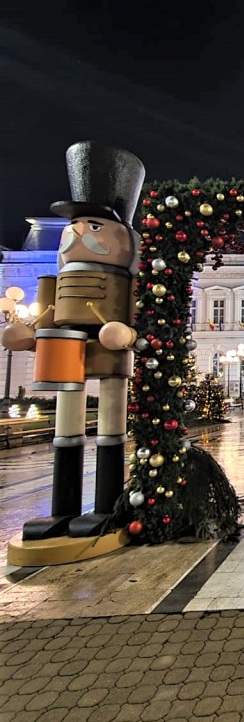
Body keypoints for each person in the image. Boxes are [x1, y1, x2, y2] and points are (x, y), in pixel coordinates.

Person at [1, 141, 144, 539]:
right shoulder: (58, 280)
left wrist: (128, 332)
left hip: (111, 354)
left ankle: (107, 505)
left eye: (93, 225)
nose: (79, 232)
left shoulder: (123, 282)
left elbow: (136, 312)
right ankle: (60, 509)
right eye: (74, 226)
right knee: (67, 427)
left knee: (112, 425)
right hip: (62, 351)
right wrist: (23, 333)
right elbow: (42, 313)